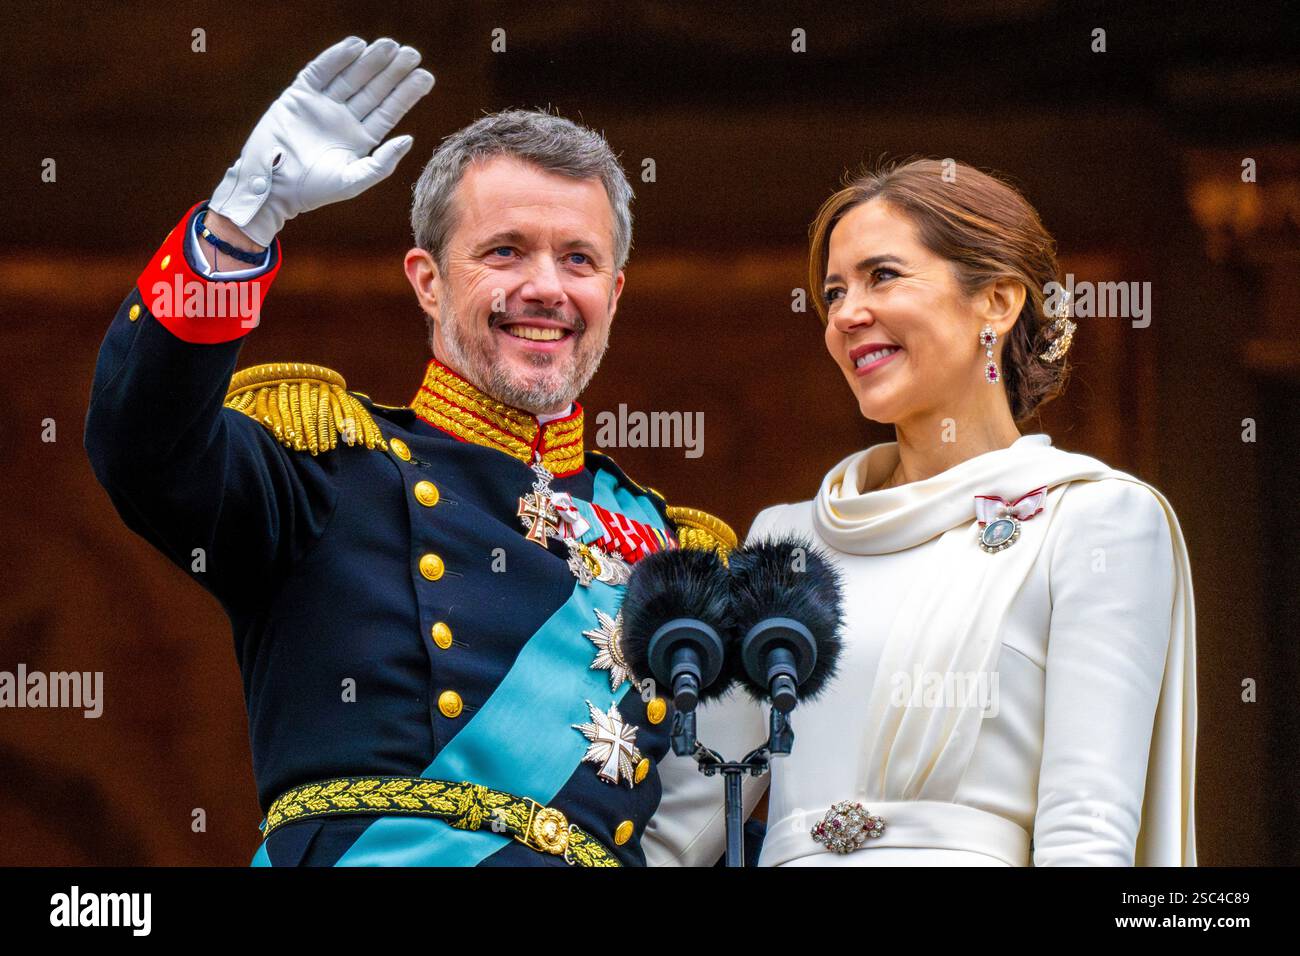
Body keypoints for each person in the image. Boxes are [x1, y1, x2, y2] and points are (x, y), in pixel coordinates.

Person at [83, 36, 761, 866]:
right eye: (504, 251)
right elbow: (144, 442)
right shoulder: (328, 466)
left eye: (578, 260)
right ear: (428, 280)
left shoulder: (681, 558)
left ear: (613, 295)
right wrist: (238, 223)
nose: (546, 287)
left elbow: (741, 815)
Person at [651, 158, 1196, 867]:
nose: (846, 313)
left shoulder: (1096, 521)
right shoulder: (785, 540)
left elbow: (1087, 834)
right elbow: (681, 828)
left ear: (997, 302)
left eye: (883, 276)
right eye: (834, 292)